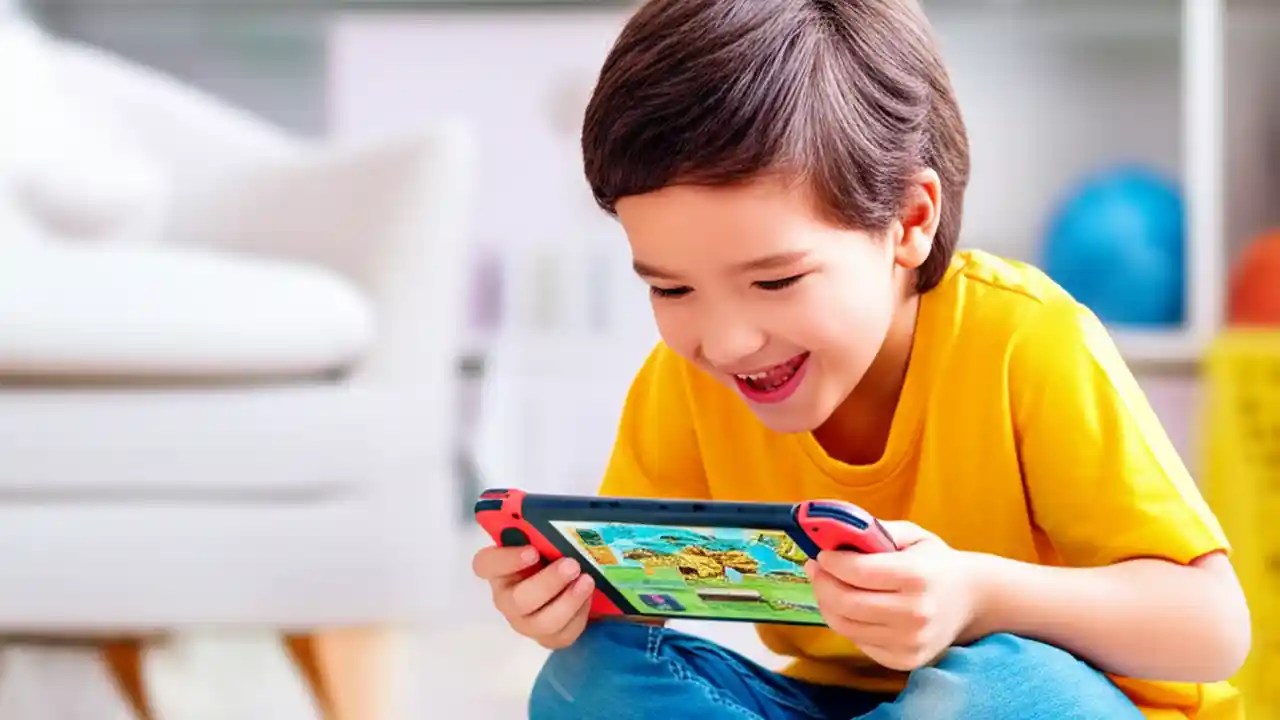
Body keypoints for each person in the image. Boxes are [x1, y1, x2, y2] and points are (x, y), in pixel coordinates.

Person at [471, 0, 1252, 718]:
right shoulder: (686, 382)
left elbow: (1213, 630)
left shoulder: (1024, 339)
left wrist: (978, 595)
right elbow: (632, 607)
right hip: (836, 703)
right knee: (588, 676)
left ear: (909, 220)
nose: (727, 342)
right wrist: (563, 602)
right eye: (672, 289)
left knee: (1000, 686)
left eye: (776, 280)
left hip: (1041, 701)